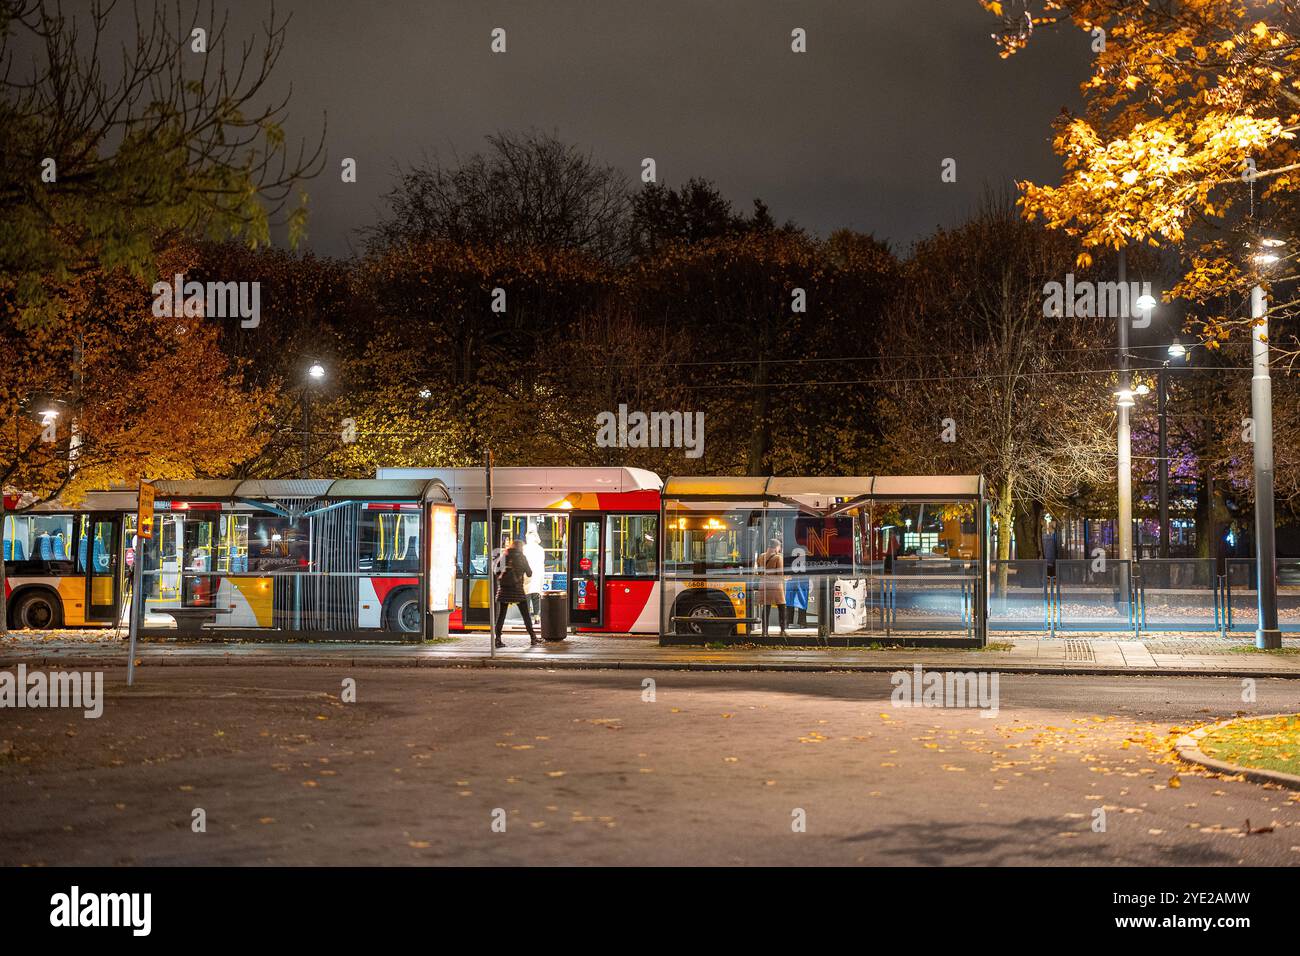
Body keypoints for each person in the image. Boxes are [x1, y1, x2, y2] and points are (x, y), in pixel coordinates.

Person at [494, 536, 539, 647]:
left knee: (501, 616)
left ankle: (498, 639)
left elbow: (496, 571)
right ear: (521, 548)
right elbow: (529, 573)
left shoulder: (505, 555)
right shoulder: (522, 557)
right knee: (526, 615)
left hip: (504, 590)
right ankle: (533, 638)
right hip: (517, 590)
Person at [756, 535, 788, 639]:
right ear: (777, 547)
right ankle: (783, 630)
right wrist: (787, 578)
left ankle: (764, 631)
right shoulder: (778, 557)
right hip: (775, 587)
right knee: (782, 607)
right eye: (779, 547)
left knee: (766, 608)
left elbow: (759, 572)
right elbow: (780, 574)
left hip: (764, 586)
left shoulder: (761, 556)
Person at [523, 527, 546, 618]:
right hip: (537, 575)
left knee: (527, 596)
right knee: (536, 596)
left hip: (527, 575)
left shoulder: (524, 548)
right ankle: (537, 617)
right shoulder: (540, 549)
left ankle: (527, 617)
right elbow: (542, 562)